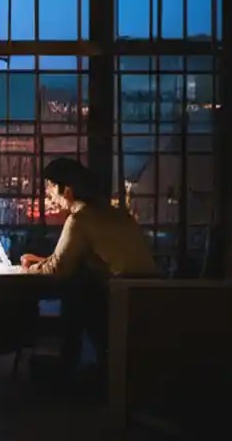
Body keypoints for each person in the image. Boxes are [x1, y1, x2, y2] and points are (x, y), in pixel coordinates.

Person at [20, 157, 156, 383]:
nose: (48, 194)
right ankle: (76, 365)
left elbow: (58, 269)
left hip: (121, 295)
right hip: (148, 290)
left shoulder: (80, 217)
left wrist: (27, 269)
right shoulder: (114, 212)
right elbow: (70, 259)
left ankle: (69, 367)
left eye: (51, 187)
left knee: (76, 293)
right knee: (81, 285)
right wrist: (41, 261)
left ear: (67, 190)